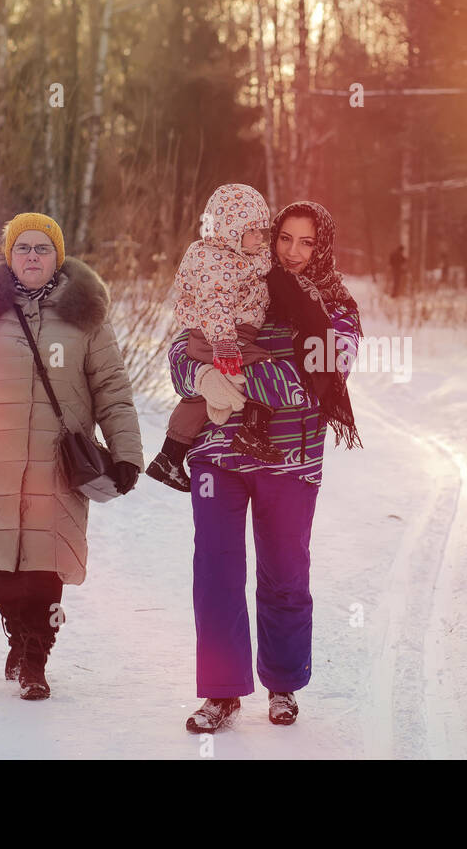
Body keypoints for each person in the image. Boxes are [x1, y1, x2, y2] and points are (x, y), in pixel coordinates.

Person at [0, 212, 144, 700]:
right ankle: (17, 632)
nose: (31, 256)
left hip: (56, 465)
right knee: (4, 565)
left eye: (41, 248)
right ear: (9, 256)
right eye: (22, 247)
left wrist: (126, 452)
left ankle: (35, 656)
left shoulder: (85, 315)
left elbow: (111, 387)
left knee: (46, 563)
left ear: (57, 257)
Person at [167, 200, 363, 732]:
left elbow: (322, 374)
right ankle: (221, 693)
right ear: (268, 236)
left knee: (284, 574)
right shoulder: (235, 279)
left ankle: (283, 684)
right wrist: (202, 378)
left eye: (306, 242)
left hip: (290, 460)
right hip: (217, 455)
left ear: (321, 246)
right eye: (284, 239)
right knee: (215, 574)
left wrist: (230, 376)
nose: (293, 253)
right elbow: (183, 354)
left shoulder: (336, 307)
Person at [147, 183, 282, 494]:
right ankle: (253, 430)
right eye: (252, 231)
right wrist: (223, 343)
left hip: (214, 335)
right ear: (231, 230)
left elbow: (260, 265)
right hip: (219, 336)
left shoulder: (236, 255)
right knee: (263, 366)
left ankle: (169, 455)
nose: (259, 238)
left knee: (199, 397)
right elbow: (214, 302)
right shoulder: (217, 261)